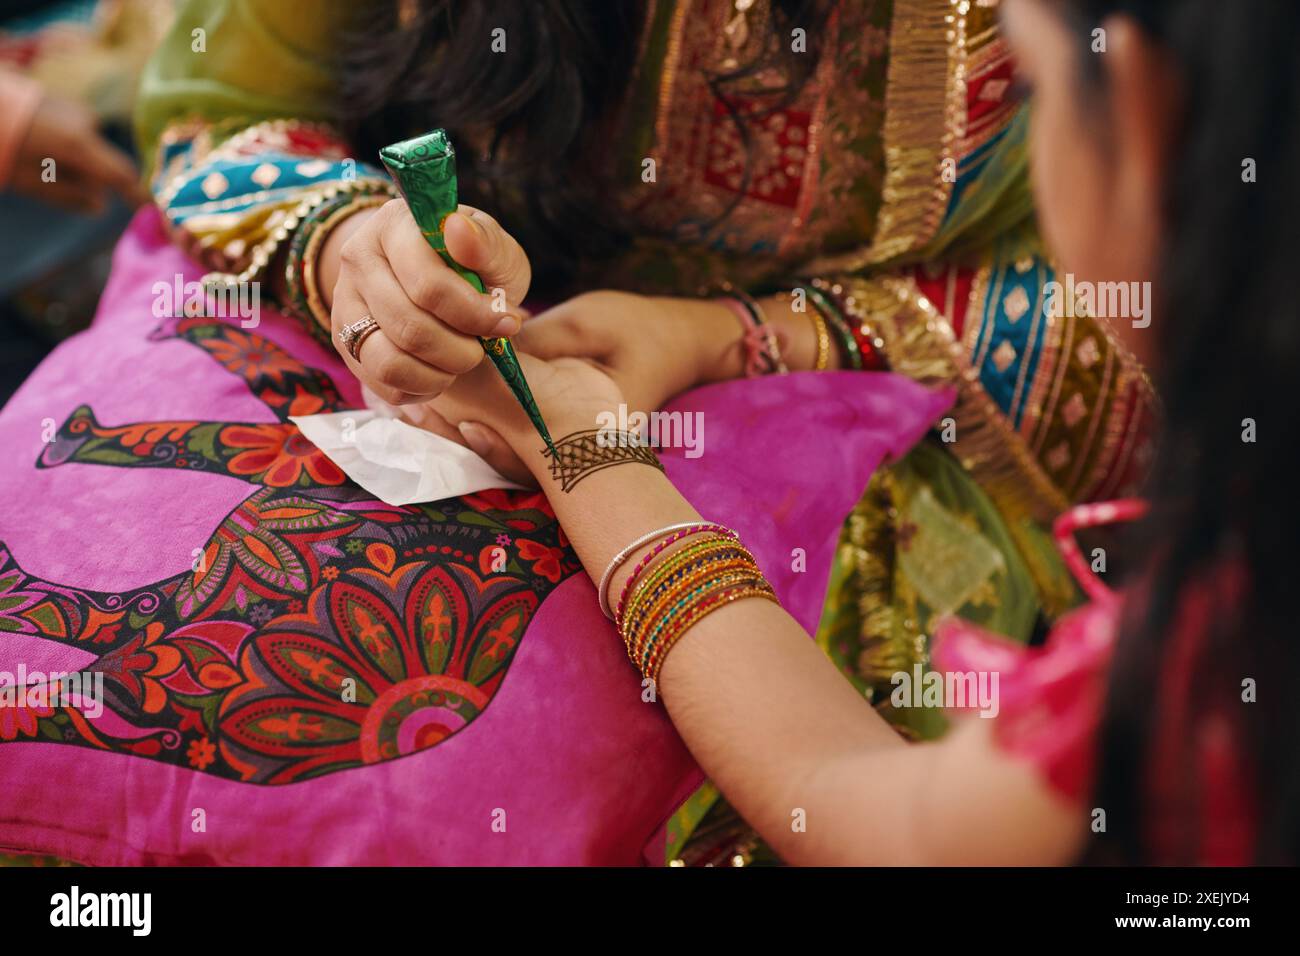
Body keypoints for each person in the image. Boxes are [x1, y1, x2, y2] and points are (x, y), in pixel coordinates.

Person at [415, 0, 1290, 864]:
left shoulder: (1196, 665)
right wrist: (348, 248)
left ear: (1141, 110)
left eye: (1031, 91)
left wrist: (581, 444)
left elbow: (867, 815)